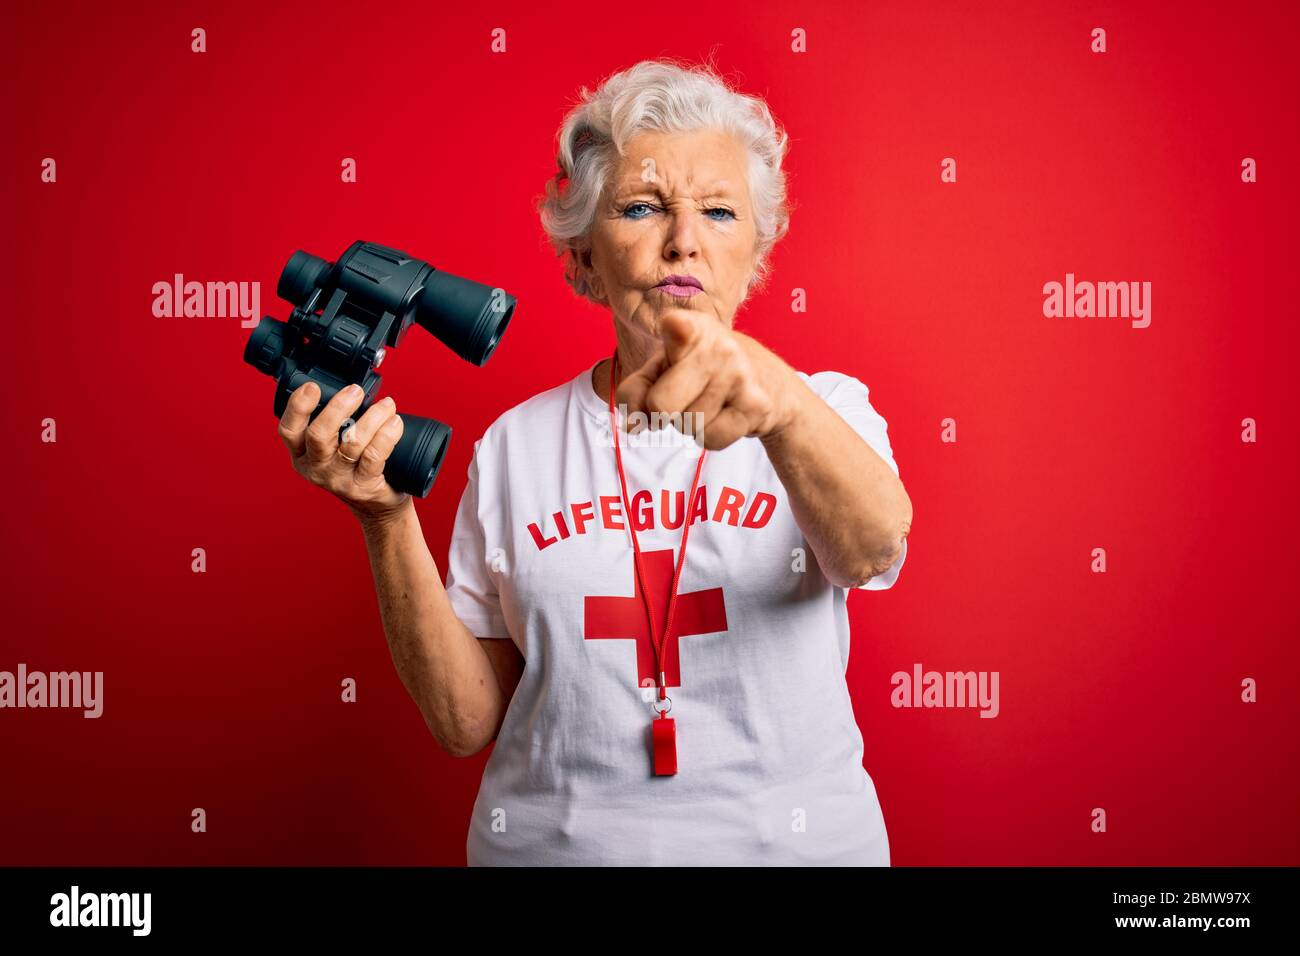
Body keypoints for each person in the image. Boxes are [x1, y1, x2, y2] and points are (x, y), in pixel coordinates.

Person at [274, 58, 913, 866]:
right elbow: (466, 722)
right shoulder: (515, 446)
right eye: (642, 207)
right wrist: (384, 517)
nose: (684, 240)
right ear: (582, 262)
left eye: (719, 211)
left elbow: (872, 549)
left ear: (755, 255)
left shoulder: (826, 408)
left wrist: (780, 405)